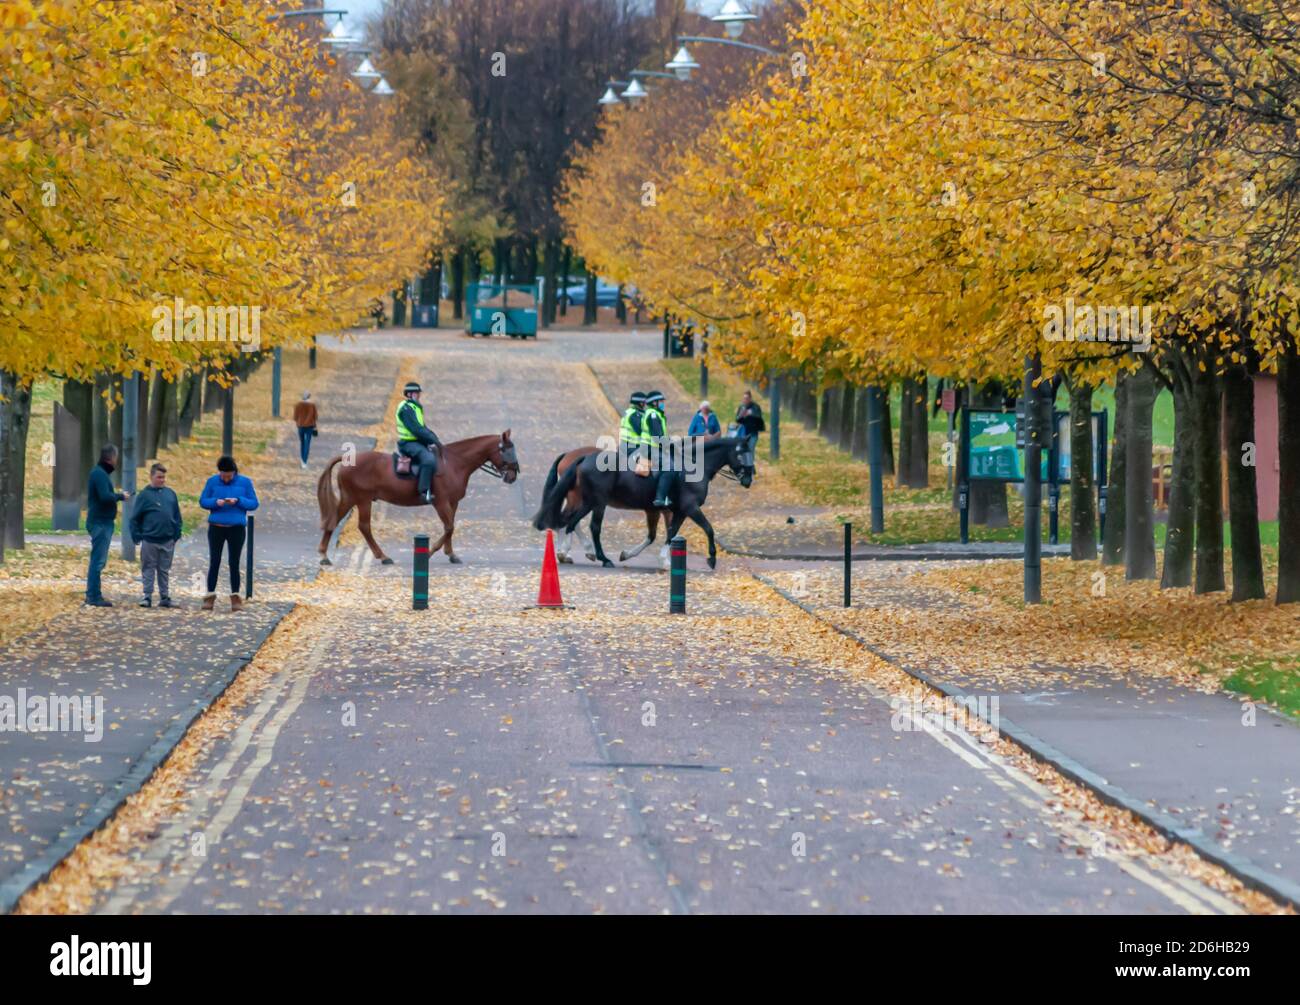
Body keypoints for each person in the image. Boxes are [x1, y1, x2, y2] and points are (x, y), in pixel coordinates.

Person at [200, 455, 259, 612]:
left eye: (228, 476)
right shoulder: (212, 481)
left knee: (234, 562)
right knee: (215, 561)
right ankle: (210, 596)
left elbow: (254, 503)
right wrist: (215, 502)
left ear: (234, 472)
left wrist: (239, 501)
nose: (225, 479)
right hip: (216, 526)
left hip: (236, 527)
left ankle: (235, 596)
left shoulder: (245, 482)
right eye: (223, 476)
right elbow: (203, 500)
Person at [130, 462, 182, 608]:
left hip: (167, 538)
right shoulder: (145, 496)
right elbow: (135, 518)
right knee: (148, 567)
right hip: (150, 538)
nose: (162, 480)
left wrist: (176, 533)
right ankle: (147, 596)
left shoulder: (170, 494)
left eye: (164, 477)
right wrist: (137, 536)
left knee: (164, 569)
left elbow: (177, 515)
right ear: (151, 477)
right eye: (159, 477)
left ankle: (164, 596)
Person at [85, 444, 129, 607]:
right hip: (100, 522)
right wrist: (120, 496)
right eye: (116, 458)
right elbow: (104, 497)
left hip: (103, 521)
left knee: (99, 561)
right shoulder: (99, 474)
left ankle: (94, 594)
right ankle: (93, 595)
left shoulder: (101, 474)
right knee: (98, 560)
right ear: (110, 458)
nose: (117, 462)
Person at [396, 381, 442, 503]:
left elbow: (422, 427)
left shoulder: (415, 407)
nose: (419, 395)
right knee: (429, 459)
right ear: (410, 394)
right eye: (417, 393)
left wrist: (433, 437)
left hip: (416, 442)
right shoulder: (406, 409)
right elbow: (416, 429)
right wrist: (432, 440)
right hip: (408, 444)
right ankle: (423, 492)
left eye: (418, 393)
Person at [644, 390, 676, 508]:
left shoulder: (658, 415)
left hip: (656, 448)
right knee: (670, 468)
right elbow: (657, 437)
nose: (663, 403)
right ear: (654, 403)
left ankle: (670, 495)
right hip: (649, 448)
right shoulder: (653, 415)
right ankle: (660, 498)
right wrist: (669, 446)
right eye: (661, 401)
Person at [618, 390, 650, 465]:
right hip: (633, 447)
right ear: (639, 403)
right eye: (644, 402)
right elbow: (641, 432)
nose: (645, 404)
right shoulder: (635, 415)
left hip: (624, 445)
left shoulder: (628, 412)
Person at [292, 391, 318, 469]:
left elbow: (295, 417)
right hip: (309, 426)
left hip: (300, 426)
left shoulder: (298, 405)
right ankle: (304, 462)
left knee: (302, 443)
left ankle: (302, 460)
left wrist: (299, 421)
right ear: (309, 397)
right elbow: (315, 416)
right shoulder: (312, 405)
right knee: (307, 444)